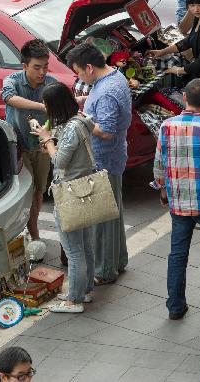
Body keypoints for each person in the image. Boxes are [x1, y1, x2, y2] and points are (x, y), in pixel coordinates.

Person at [153, 78, 200, 320]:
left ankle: (175, 306)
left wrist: (162, 190)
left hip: (179, 203)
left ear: (184, 97)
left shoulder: (166, 126)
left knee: (177, 255)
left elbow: (159, 162)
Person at [66, 42, 131, 285]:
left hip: (104, 159)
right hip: (113, 157)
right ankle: (118, 260)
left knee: (102, 218)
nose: (79, 77)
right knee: (114, 213)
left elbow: (106, 131)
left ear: (90, 68)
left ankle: (104, 270)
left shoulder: (106, 92)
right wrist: (84, 101)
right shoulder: (114, 76)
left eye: (79, 72)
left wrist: (80, 119)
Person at [30, 82, 96, 313]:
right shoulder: (81, 121)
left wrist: (47, 139)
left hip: (69, 193)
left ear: (55, 105)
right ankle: (85, 290)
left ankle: (74, 300)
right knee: (85, 245)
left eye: (46, 104)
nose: (45, 108)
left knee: (73, 250)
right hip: (84, 189)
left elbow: (59, 161)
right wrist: (48, 140)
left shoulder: (71, 128)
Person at [1, 39, 57, 250]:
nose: (42, 72)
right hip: (19, 147)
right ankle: (31, 233)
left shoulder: (51, 83)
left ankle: (33, 231)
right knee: (25, 191)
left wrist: (50, 137)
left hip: (42, 147)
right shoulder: (12, 81)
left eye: (45, 67)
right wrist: (42, 106)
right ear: (24, 65)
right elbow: (9, 98)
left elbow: (57, 115)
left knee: (39, 190)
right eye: (36, 67)